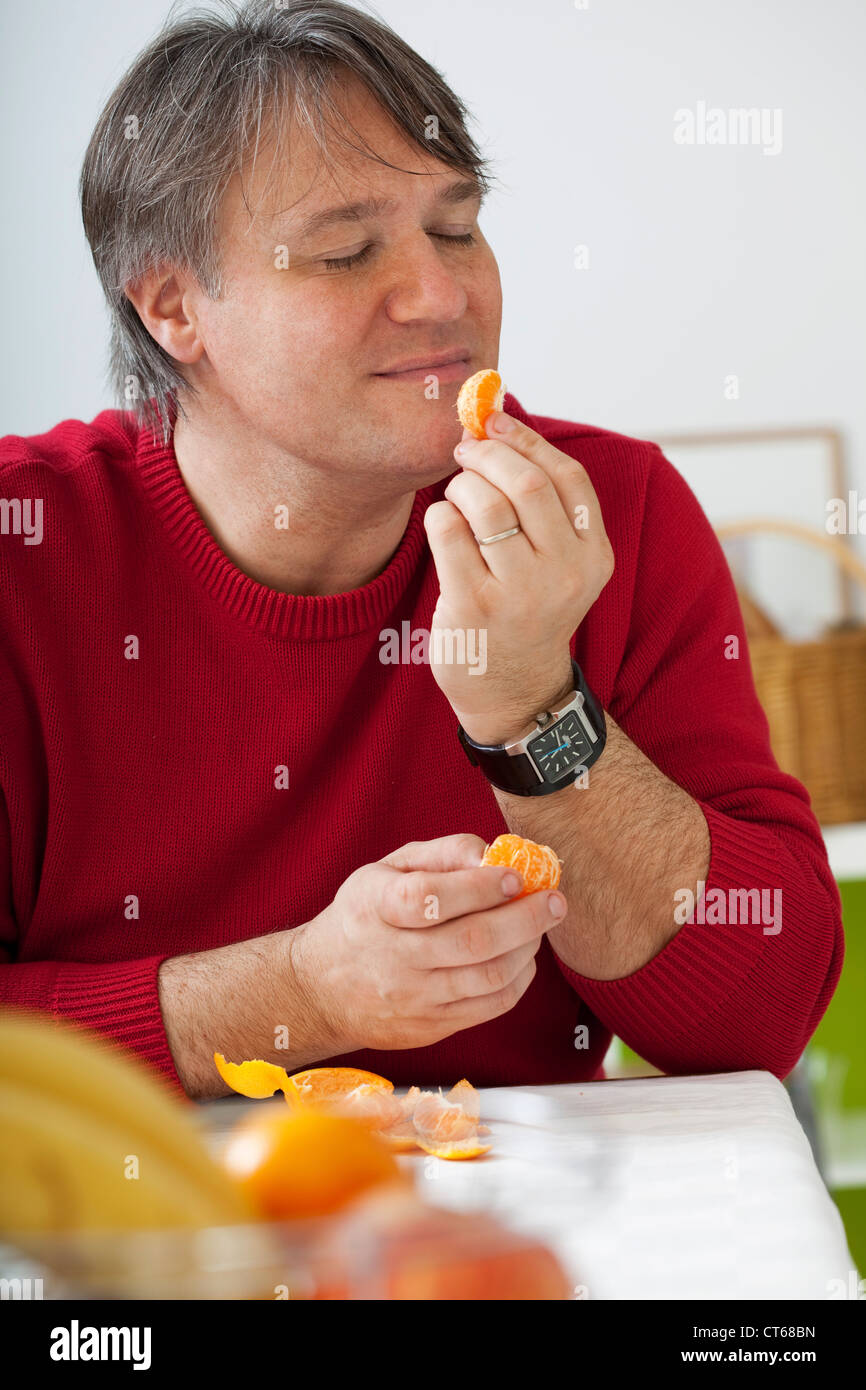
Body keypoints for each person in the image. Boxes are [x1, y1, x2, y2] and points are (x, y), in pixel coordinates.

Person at [0, 0, 843, 1099]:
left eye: (455, 228)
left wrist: (538, 712)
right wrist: (304, 990)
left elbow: (757, 1017)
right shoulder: (28, 554)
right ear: (172, 309)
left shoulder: (611, 510)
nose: (443, 296)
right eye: (346, 251)